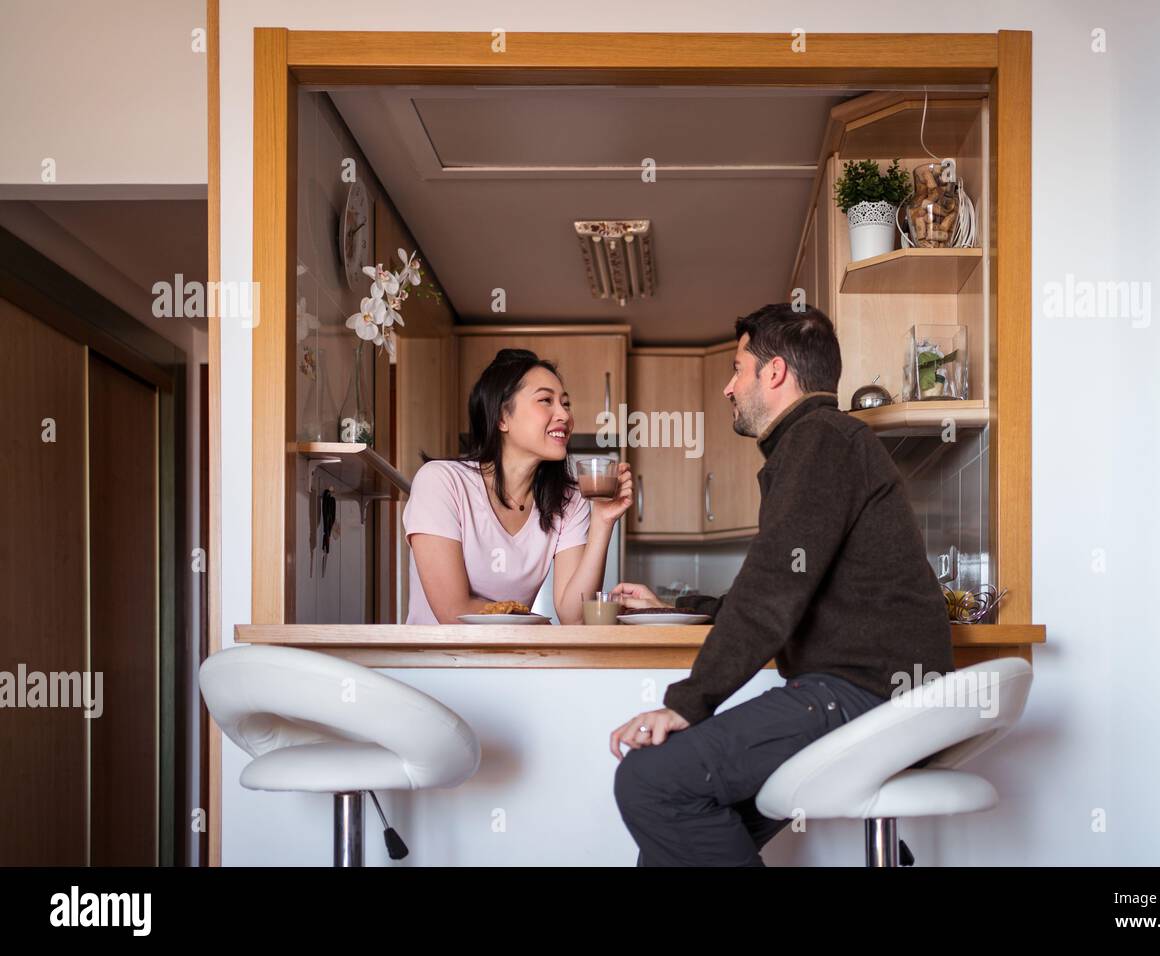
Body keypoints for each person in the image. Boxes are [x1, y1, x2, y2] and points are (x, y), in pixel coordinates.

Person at [607, 303, 955, 866]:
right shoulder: (824, 443)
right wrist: (676, 605)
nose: (727, 387)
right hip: (869, 693)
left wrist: (688, 704)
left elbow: (772, 588)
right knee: (677, 841)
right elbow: (782, 583)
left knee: (652, 781)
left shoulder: (820, 440)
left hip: (867, 697)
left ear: (774, 373)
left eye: (737, 368)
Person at [403, 348, 632, 625]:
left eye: (566, 404)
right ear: (502, 418)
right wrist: (538, 624)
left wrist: (602, 521)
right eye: (546, 400)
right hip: (437, 664)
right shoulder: (441, 482)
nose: (564, 415)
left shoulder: (569, 499)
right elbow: (454, 612)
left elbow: (574, 616)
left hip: (515, 662)